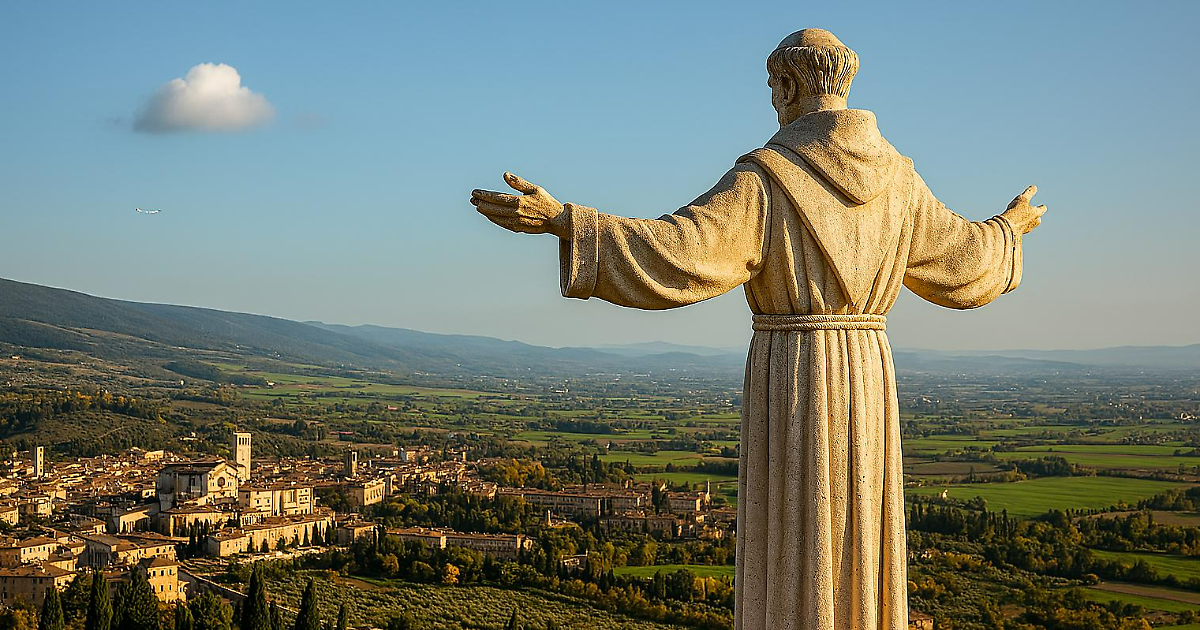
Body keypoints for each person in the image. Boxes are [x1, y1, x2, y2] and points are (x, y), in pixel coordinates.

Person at [471, 28, 1045, 630]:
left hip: (794, 370)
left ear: (793, 85)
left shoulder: (768, 178)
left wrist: (568, 221)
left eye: (774, 87)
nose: (772, 100)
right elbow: (963, 258)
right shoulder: (900, 182)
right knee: (856, 534)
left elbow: (679, 251)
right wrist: (1008, 230)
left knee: (792, 533)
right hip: (868, 373)